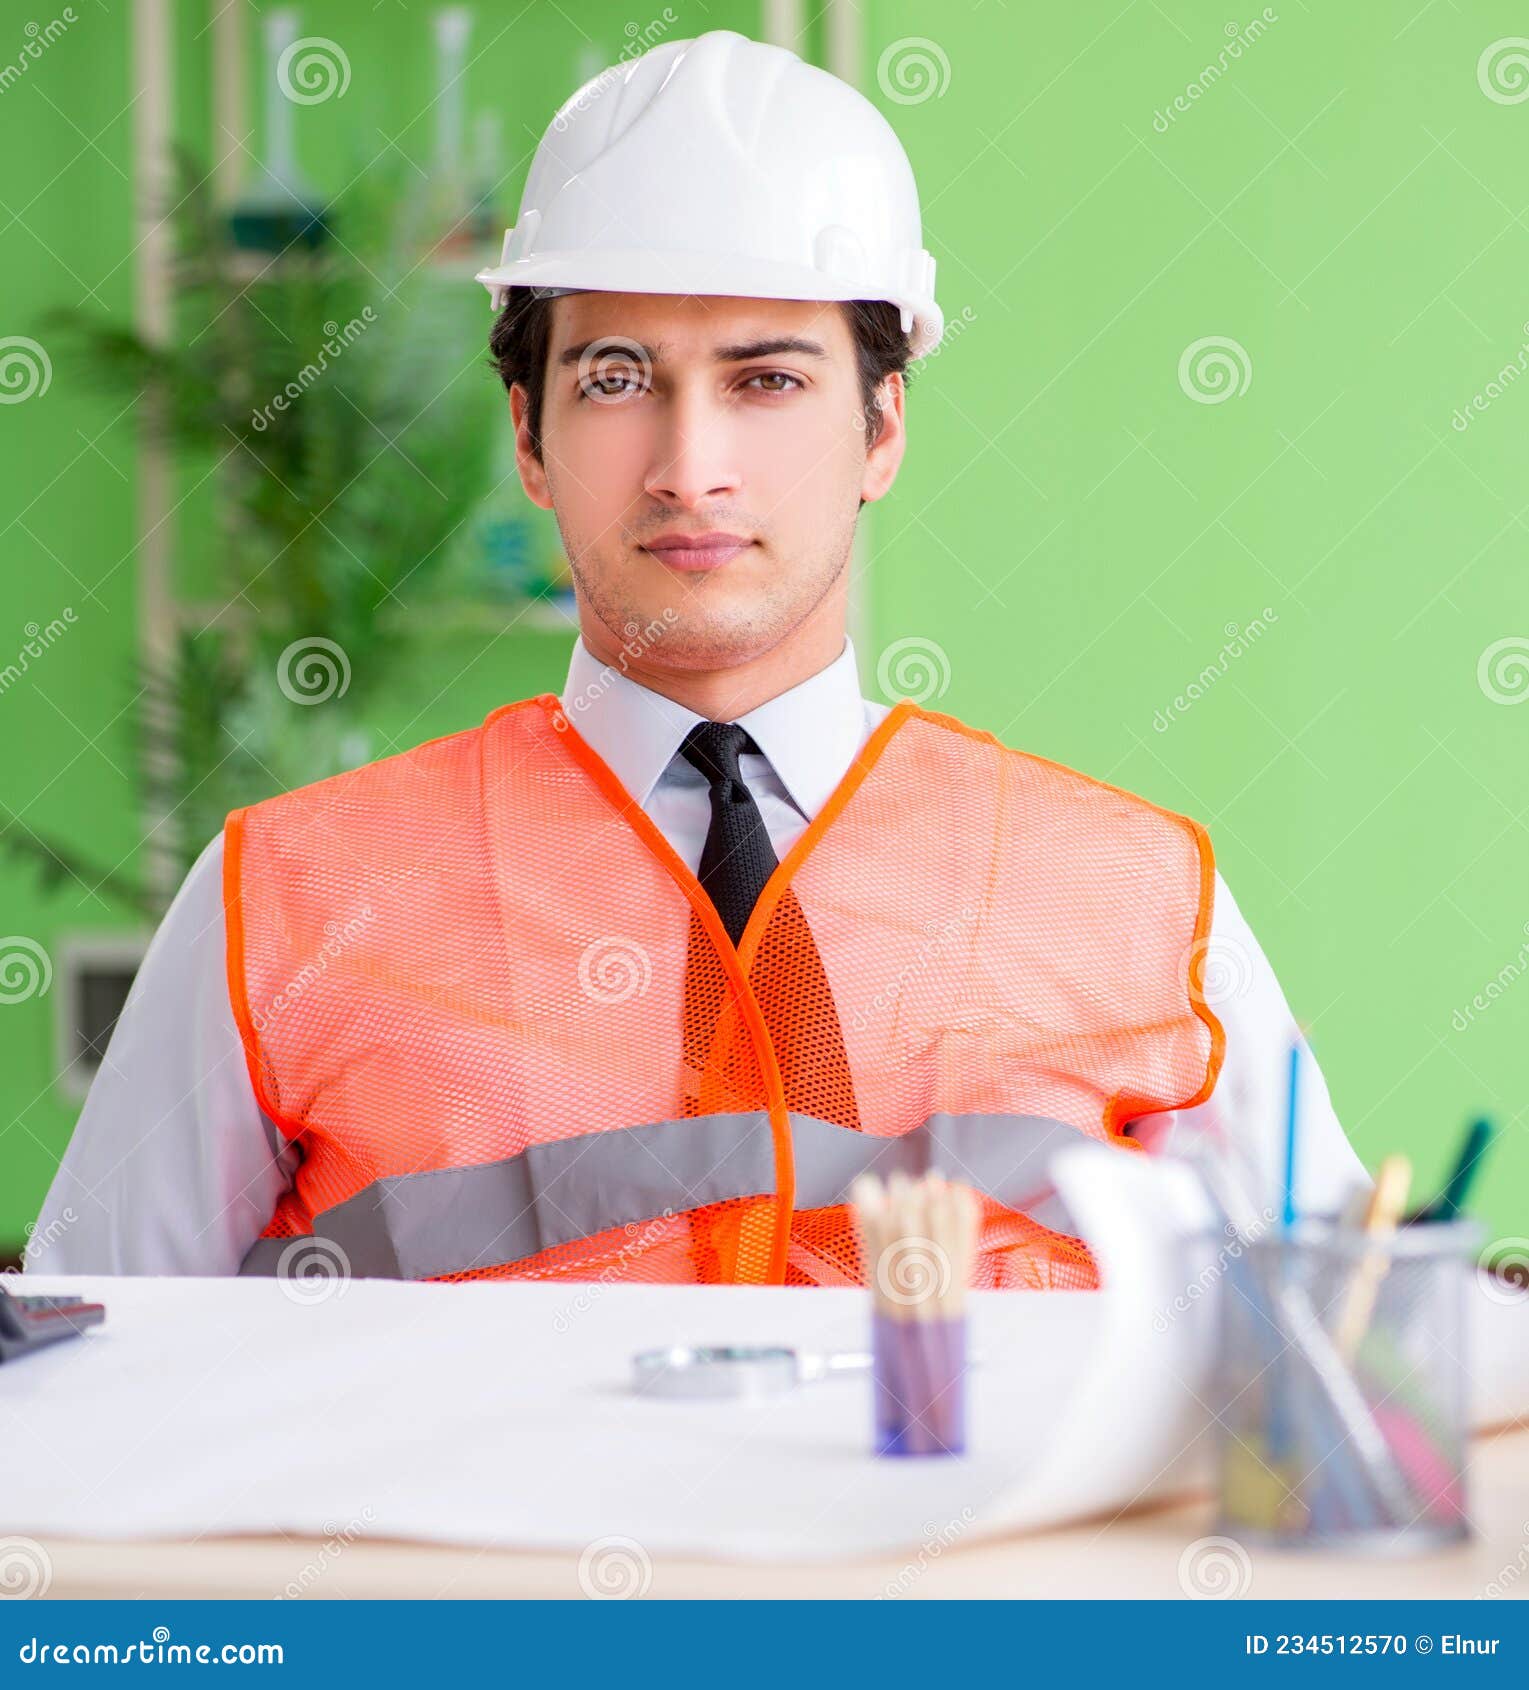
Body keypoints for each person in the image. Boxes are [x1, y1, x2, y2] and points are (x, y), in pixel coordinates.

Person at [29, 29, 1367, 1289]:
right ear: (529, 435)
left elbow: (1361, 1387)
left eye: (767, 378)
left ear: (882, 425)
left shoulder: (1138, 904)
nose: (689, 468)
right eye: (616, 378)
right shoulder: (284, 900)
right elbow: (81, 1402)